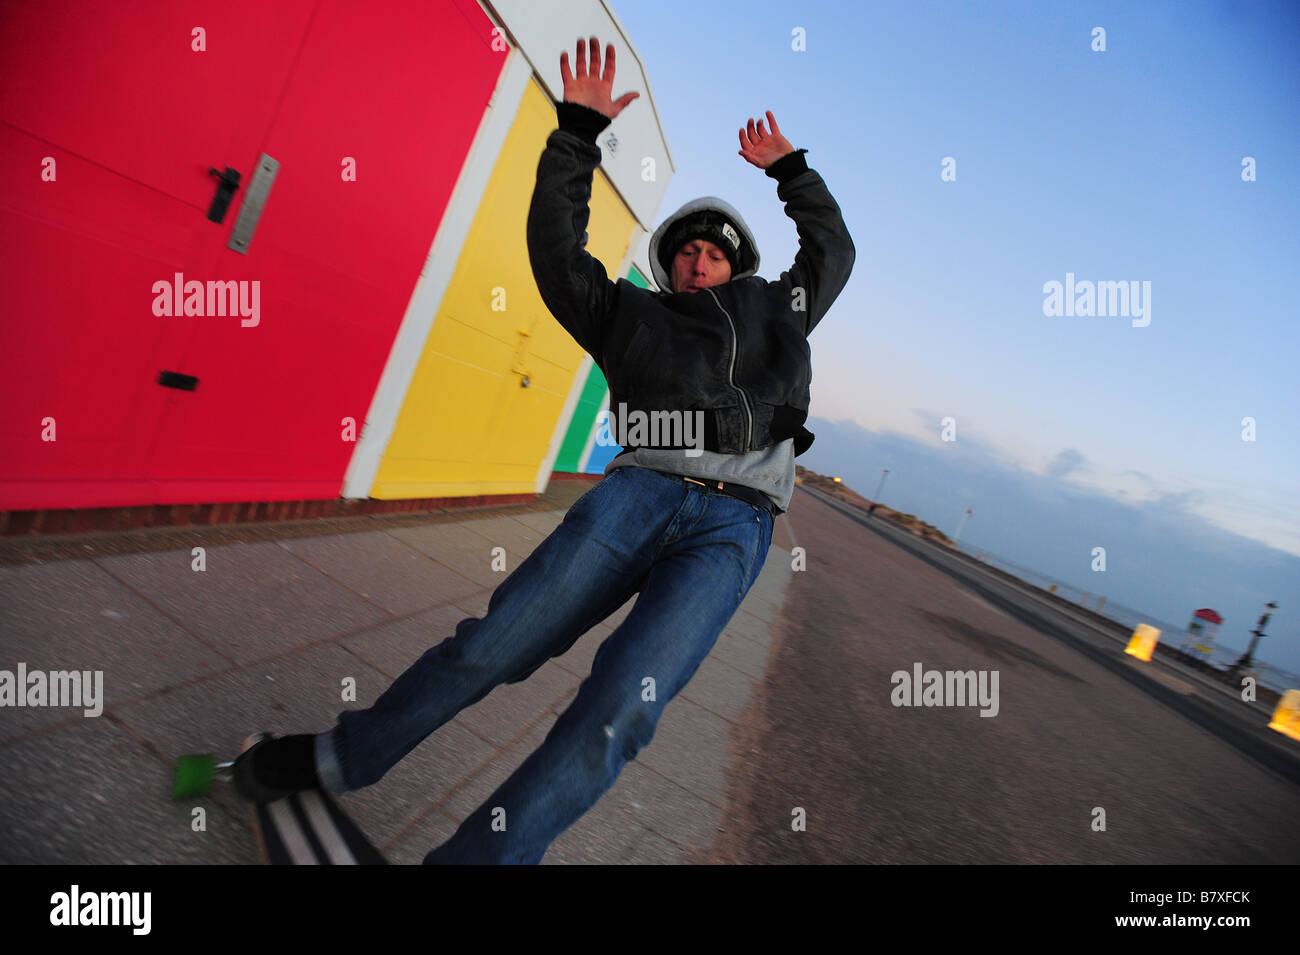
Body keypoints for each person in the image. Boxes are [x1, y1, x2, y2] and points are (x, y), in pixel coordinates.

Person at [231, 36, 854, 864]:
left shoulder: (780, 311)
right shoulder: (629, 313)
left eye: (716, 253)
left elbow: (831, 251)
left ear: (737, 266)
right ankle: (335, 758)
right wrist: (575, 136)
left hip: (731, 529)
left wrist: (791, 172)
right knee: (490, 646)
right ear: (669, 266)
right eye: (687, 251)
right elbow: (558, 256)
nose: (700, 261)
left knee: (620, 712)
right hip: (636, 497)